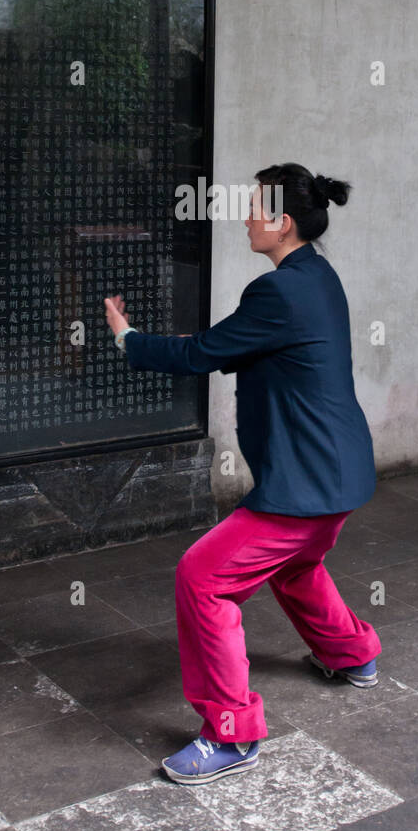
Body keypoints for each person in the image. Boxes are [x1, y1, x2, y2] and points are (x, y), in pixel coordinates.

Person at [103, 162, 380, 786]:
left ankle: (231, 733)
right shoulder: (316, 276)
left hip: (306, 482)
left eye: (254, 207)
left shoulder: (279, 291)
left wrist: (129, 339)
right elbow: (250, 350)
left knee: (202, 577)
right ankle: (352, 654)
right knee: (295, 565)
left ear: (282, 223)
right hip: (337, 474)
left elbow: (205, 352)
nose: (245, 217)